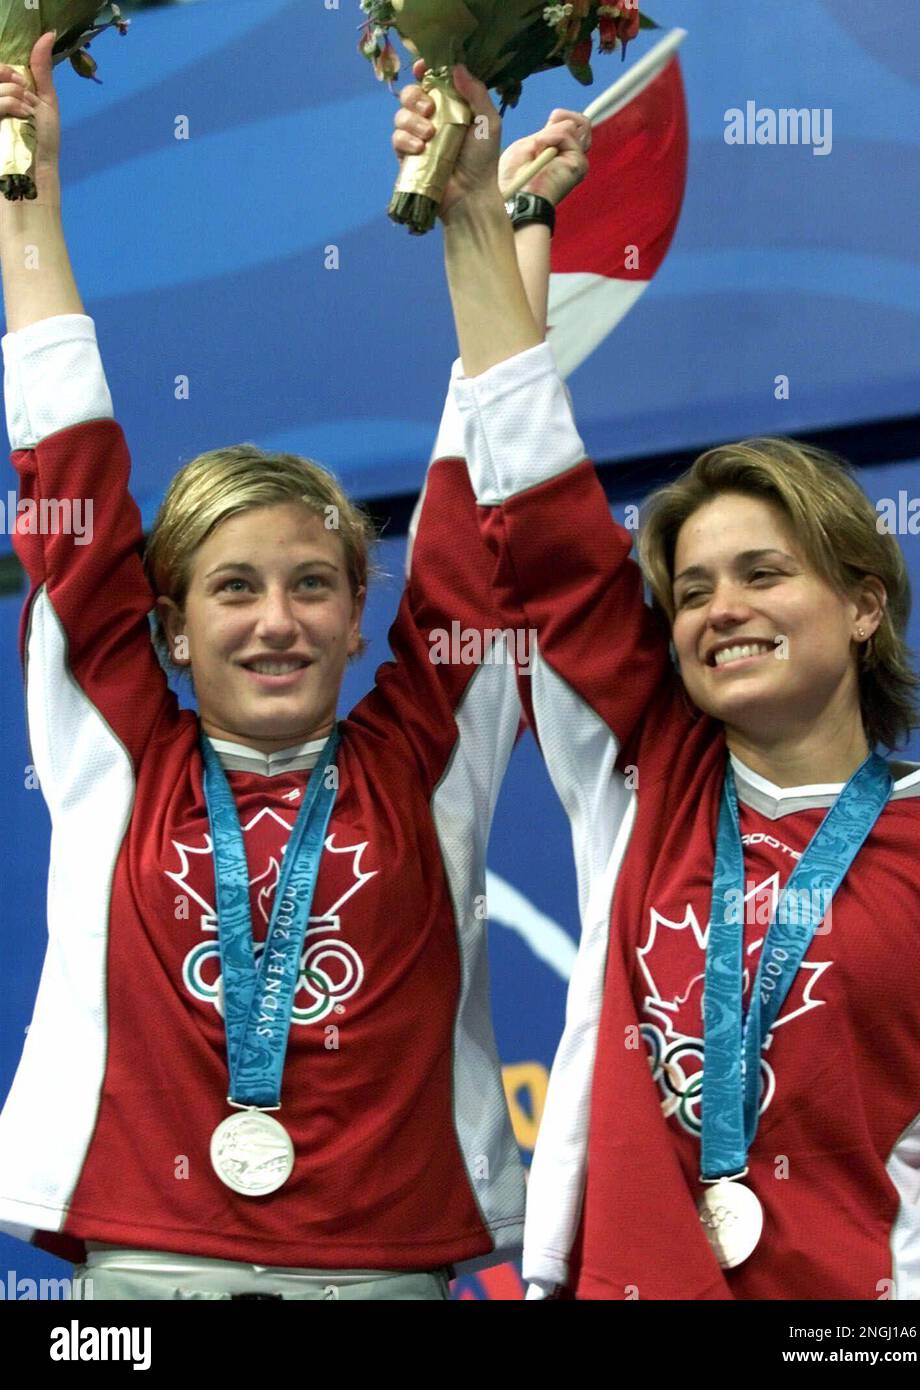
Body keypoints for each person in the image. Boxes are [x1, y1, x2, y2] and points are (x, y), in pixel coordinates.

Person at [0, 34, 589, 1300]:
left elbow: (486, 504)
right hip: (135, 1286)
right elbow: (67, 476)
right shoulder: (119, 749)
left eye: (312, 584)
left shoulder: (424, 752)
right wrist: (25, 185)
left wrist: (495, 220)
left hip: (383, 1273)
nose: (277, 620)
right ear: (166, 625)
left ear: (356, 609)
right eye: (233, 588)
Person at [394, 65, 920, 1300]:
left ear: (864, 603)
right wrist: (476, 218)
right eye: (694, 588)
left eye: (764, 573)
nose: (721, 609)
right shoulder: (643, 774)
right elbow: (539, 502)